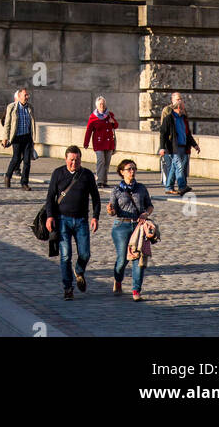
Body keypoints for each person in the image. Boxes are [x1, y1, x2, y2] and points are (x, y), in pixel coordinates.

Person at [45, 145, 100, 300]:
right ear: (66, 159)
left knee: (85, 253)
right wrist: (50, 217)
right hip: (62, 220)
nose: (74, 163)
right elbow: (50, 197)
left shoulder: (87, 175)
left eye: (77, 160)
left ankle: (79, 270)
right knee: (65, 256)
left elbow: (95, 198)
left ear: (81, 160)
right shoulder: (58, 173)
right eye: (71, 160)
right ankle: (68, 288)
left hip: (81, 220)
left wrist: (95, 217)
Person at [108, 158, 155, 300]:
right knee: (122, 259)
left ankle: (136, 290)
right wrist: (110, 210)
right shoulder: (116, 190)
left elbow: (149, 205)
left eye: (134, 168)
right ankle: (118, 279)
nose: (132, 171)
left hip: (139, 226)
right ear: (122, 172)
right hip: (121, 226)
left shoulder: (141, 188)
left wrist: (146, 213)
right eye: (129, 169)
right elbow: (113, 210)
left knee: (138, 258)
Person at [159, 92, 200, 195]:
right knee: (179, 166)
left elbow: (188, 133)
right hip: (173, 147)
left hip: (183, 146)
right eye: (181, 108)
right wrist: (162, 147)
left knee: (174, 167)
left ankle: (169, 187)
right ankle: (182, 187)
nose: (183, 110)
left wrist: (194, 144)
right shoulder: (169, 117)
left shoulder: (184, 118)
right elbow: (163, 133)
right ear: (176, 108)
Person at [2, 86, 36, 190]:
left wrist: (33, 138)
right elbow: (7, 123)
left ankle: (24, 183)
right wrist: (5, 138)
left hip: (27, 137)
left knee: (27, 161)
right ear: (19, 96)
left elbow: (32, 123)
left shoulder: (30, 108)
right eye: (25, 95)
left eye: (27, 95)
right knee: (16, 158)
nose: (27, 97)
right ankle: (8, 176)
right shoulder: (12, 107)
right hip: (16, 137)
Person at [83, 95, 119, 188]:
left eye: (103, 104)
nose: (102, 106)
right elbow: (89, 131)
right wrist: (86, 143)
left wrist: (113, 122)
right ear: (97, 106)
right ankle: (99, 180)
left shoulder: (110, 115)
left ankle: (105, 181)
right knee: (101, 161)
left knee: (107, 162)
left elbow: (116, 126)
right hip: (99, 143)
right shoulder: (93, 117)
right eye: (100, 104)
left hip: (109, 142)